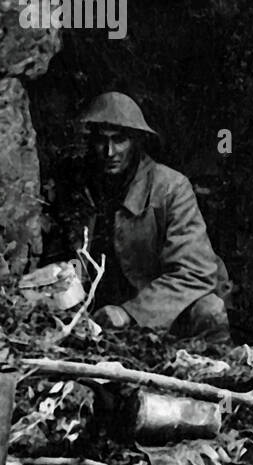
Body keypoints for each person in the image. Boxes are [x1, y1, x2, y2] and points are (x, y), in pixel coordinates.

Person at [73, 92, 229, 343]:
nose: (109, 151)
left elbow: (195, 273)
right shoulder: (83, 186)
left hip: (164, 310)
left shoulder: (170, 187)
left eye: (119, 140)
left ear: (137, 141)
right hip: (102, 312)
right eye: (101, 140)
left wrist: (129, 313)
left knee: (209, 310)